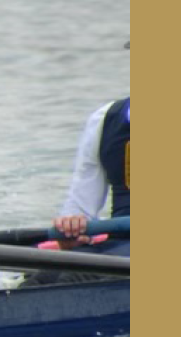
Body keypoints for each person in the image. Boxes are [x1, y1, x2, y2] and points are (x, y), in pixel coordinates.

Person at [51, 96, 130, 256]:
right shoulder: (105, 118)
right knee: (44, 280)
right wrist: (70, 229)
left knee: (78, 278)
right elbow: (80, 209)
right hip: (119, 249)